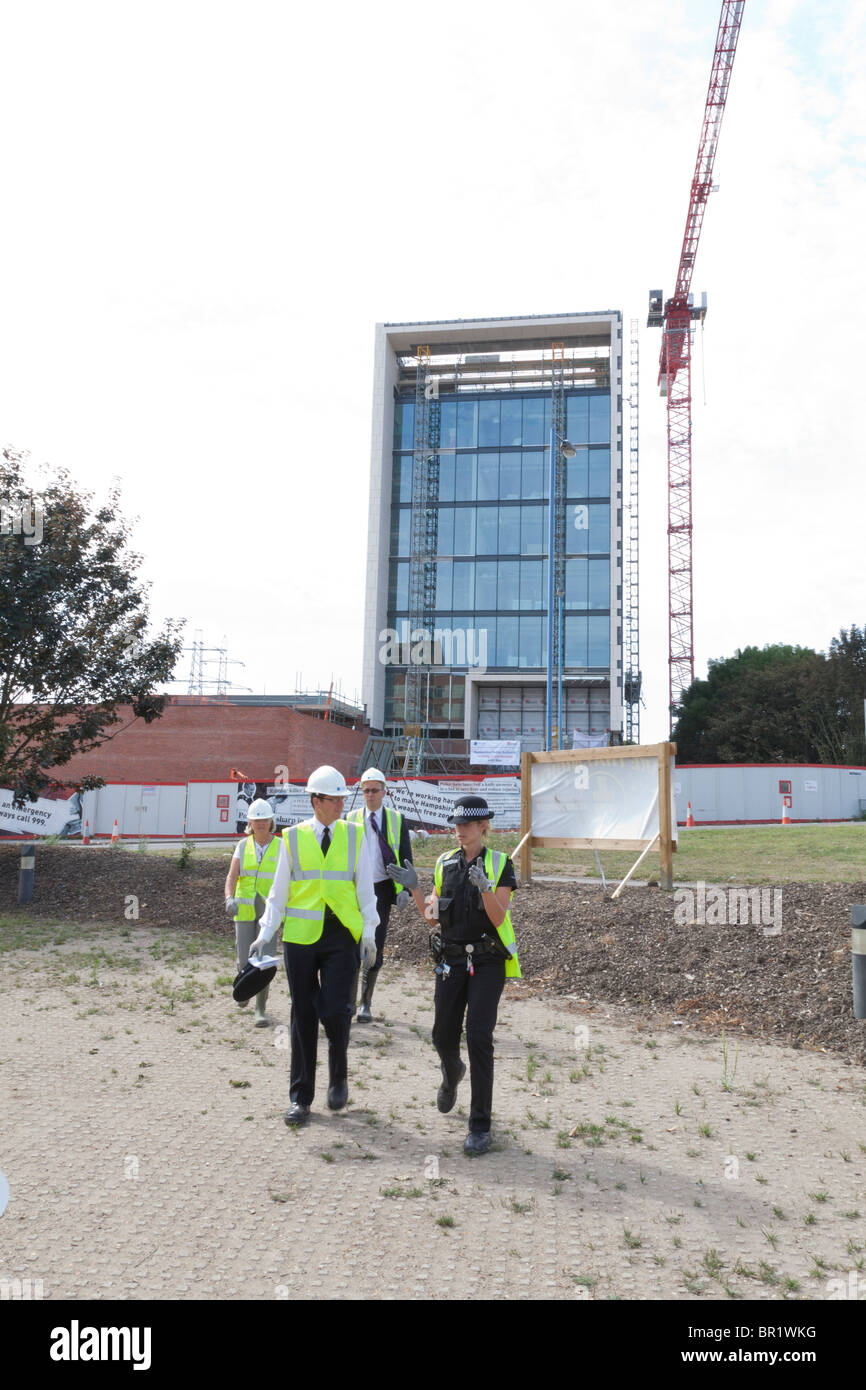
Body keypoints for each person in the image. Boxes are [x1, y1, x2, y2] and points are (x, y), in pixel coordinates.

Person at [250, 765, 378, 1127]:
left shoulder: (355, 835)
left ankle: (338, 1074)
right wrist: (265, 931)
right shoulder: (291, 838)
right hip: (301, 937)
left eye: (342, 798)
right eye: (335, 799)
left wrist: (369, 929)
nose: (341, 804)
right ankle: (300, 1097)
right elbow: (278, 894)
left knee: (337, 1008)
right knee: (302, 1013)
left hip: (341, 933)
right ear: (316, 801)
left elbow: (365, 887)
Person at [393, 794, 520, 1156]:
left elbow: (498, 918)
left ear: (483, 826)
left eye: (467, 825)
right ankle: (452, 1071)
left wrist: (484, 888)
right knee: (442, 1034)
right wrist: (415, 888)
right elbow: (432, 917)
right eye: (457, 825)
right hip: (450, 960)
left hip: (487, 962)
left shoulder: (500, 864)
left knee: (479, 1035)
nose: (460, 831)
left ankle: (480, 1125)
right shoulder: (444, 862)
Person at [346, 768, 423, 1022]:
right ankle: (348, 1002)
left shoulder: (396, 819)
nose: (369, 795)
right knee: (350, 944)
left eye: (374, 790)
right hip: (354, 890)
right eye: (366, 790)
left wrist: (405, 891)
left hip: (380, 888)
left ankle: (365, 1003)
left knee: (374, 943)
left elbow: (405, 857)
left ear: (384, 792)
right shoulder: (351, 817)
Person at [224, 798, 281, 1027]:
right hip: (244, 908)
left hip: (269, 912)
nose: (260, 824)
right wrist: (229, 898)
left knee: (264, 961)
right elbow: (232, 876)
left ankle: (260, 1010)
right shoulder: (242, 845)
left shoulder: (281, 846)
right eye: (256, 820)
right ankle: (243, 988)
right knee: (244, 959)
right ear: (249, 822)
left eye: (264, 820)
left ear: (271, 822)